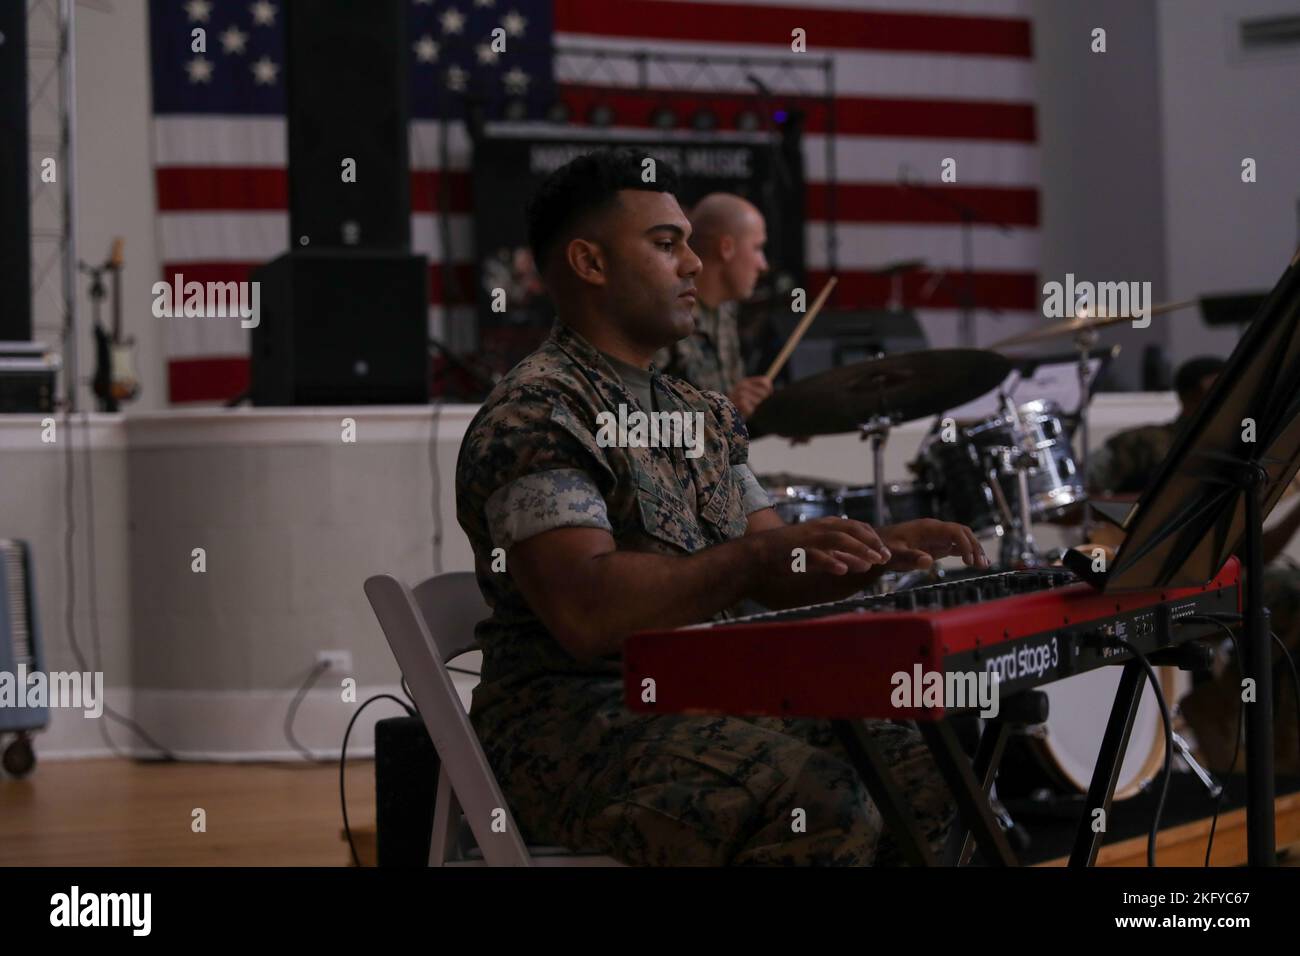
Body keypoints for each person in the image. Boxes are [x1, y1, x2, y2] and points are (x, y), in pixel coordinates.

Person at [455, 148, 987, 865]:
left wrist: (874, 550)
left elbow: (774, 562)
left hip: (702, 693)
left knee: (927, 765)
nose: (695, 265)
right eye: (666, 245)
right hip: (573, 723)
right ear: (589, 263)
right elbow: (586, 611)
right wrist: (754, 557)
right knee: (822, 800)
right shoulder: (537, 413)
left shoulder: (698, 412)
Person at [1089, 355, 1300, 772]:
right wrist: (1147, 512)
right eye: (1212, 389)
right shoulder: (1147, 443)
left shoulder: (1240, 456)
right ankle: (1219, 712)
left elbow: (1252, 556)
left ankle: (1266, 745)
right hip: (1153, 577)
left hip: (1218, 576)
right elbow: (1077, 500)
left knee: (1291, 595)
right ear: (1187, 396)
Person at [651, 193, 775, 419]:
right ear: (726, 248)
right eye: (757, 248)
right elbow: (631, 419)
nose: (763, 265)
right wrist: (720, 412)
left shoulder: (725, 312)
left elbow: (735, 413)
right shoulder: (664, 317)